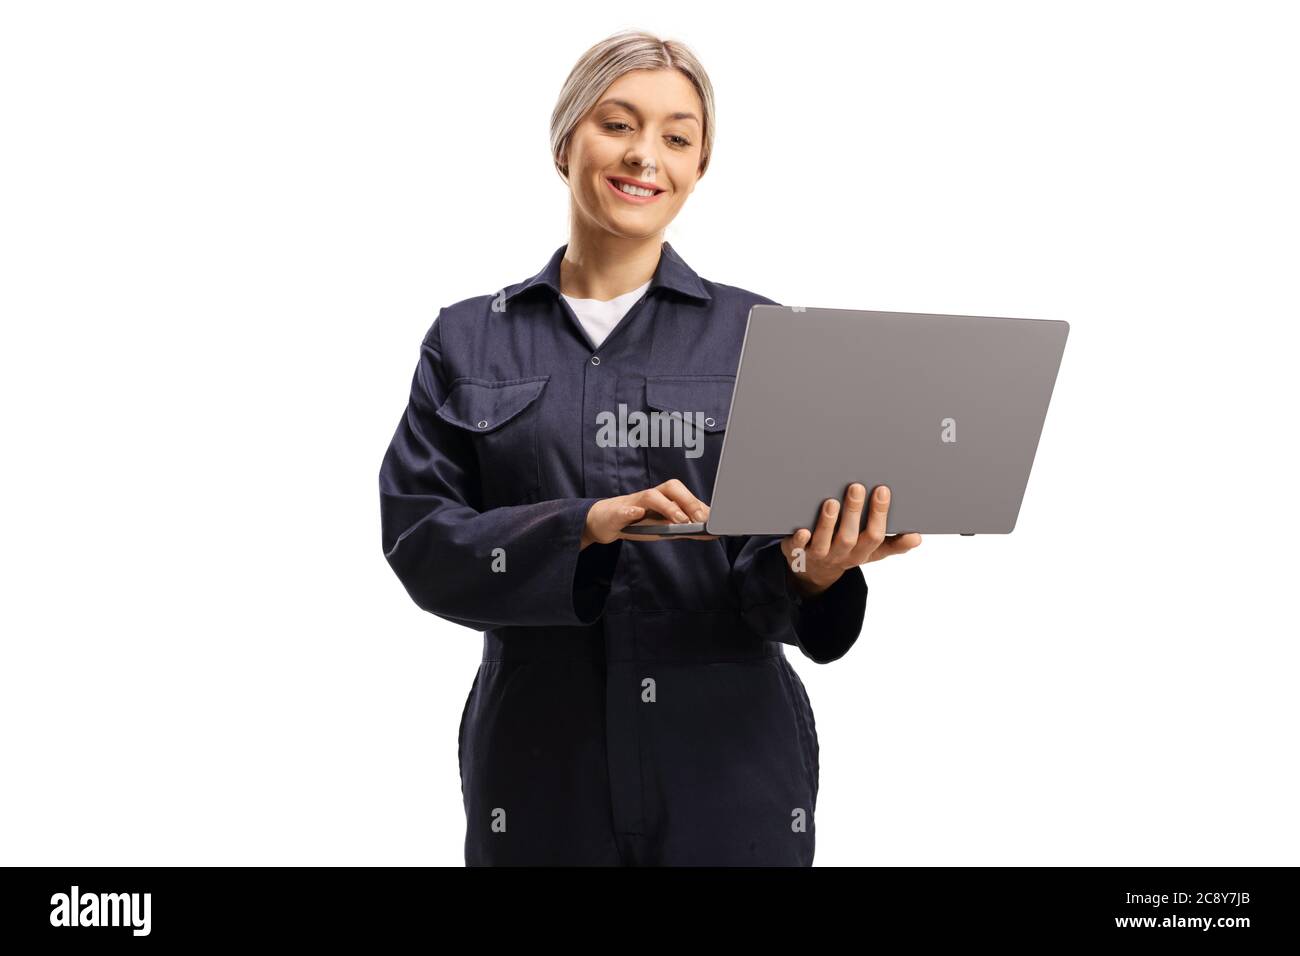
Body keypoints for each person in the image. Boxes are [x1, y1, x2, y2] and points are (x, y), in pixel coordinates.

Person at [378, 29, 922, 866]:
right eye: (617, 124)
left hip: (728, 769)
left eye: (677, 137)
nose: (645, 156)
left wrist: (816, 570)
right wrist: (582, 526)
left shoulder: (759, 336)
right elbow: (421, 541)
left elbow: (760, 584)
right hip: (539, 773)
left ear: (700, 168)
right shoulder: (467, 341)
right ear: (566, 141)